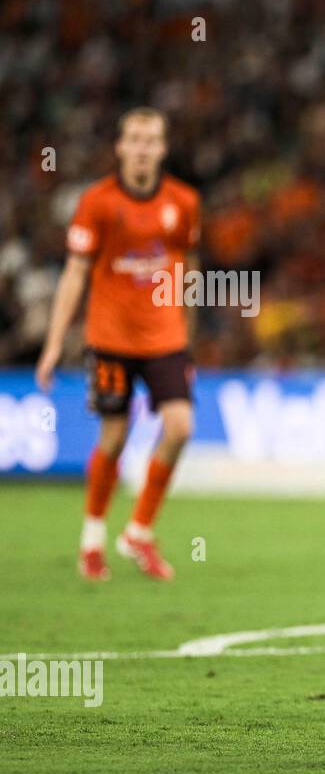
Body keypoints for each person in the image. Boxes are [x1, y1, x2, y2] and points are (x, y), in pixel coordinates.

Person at [36, 107, 201, 582]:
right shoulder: (97, 203)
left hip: (165, 336)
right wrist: (52, 345)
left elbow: (188, 270)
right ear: (120, 146)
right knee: (114, 436)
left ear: (163, 148)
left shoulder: (183, 202)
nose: (144, 147)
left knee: (180, 427)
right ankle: (92, 539)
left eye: (152, 139)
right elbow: (75, 273)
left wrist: (185, 340)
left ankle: (138, 533)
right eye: (135, 139)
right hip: (110, 338)